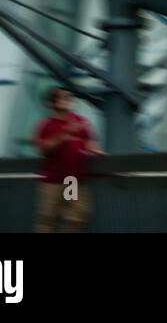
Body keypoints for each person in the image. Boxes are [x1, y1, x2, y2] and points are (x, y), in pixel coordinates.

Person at [32, 87, 102, 233]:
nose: (69, 100)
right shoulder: (46, 124)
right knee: (47, 219)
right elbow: (44, 149)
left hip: (72, 180)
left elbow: (89, 142)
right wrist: (65, 133)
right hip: (53, 180)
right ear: (52, 103)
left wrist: (97, 151)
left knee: (76, 218)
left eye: (69, 97)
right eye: (64, 97)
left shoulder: (81, 122)